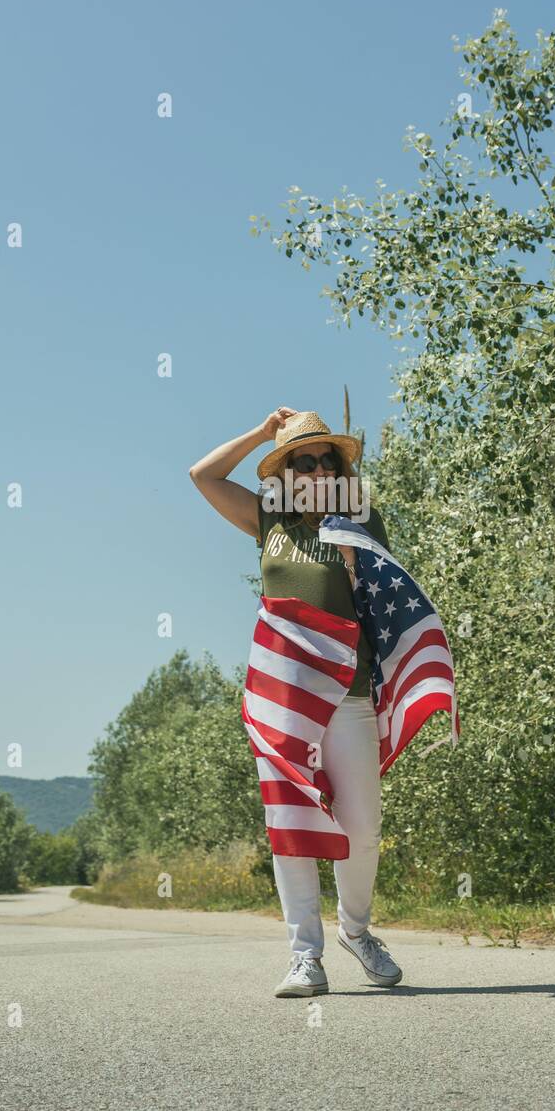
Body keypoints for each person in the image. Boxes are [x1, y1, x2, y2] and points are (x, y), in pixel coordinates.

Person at [189, 407, 403, 997]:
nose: (313, 467)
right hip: (284, 692)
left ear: (336, 466)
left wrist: (359, 557)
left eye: (322, 458)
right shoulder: (269, 520)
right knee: (292, 821)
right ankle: (304, 955)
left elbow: (386, 605)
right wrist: (261, 434)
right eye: (300, 460)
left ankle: (356, 932)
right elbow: (202, 476)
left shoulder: (363, 522)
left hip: (349, 690)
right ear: (285, 472)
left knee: (361, 828)